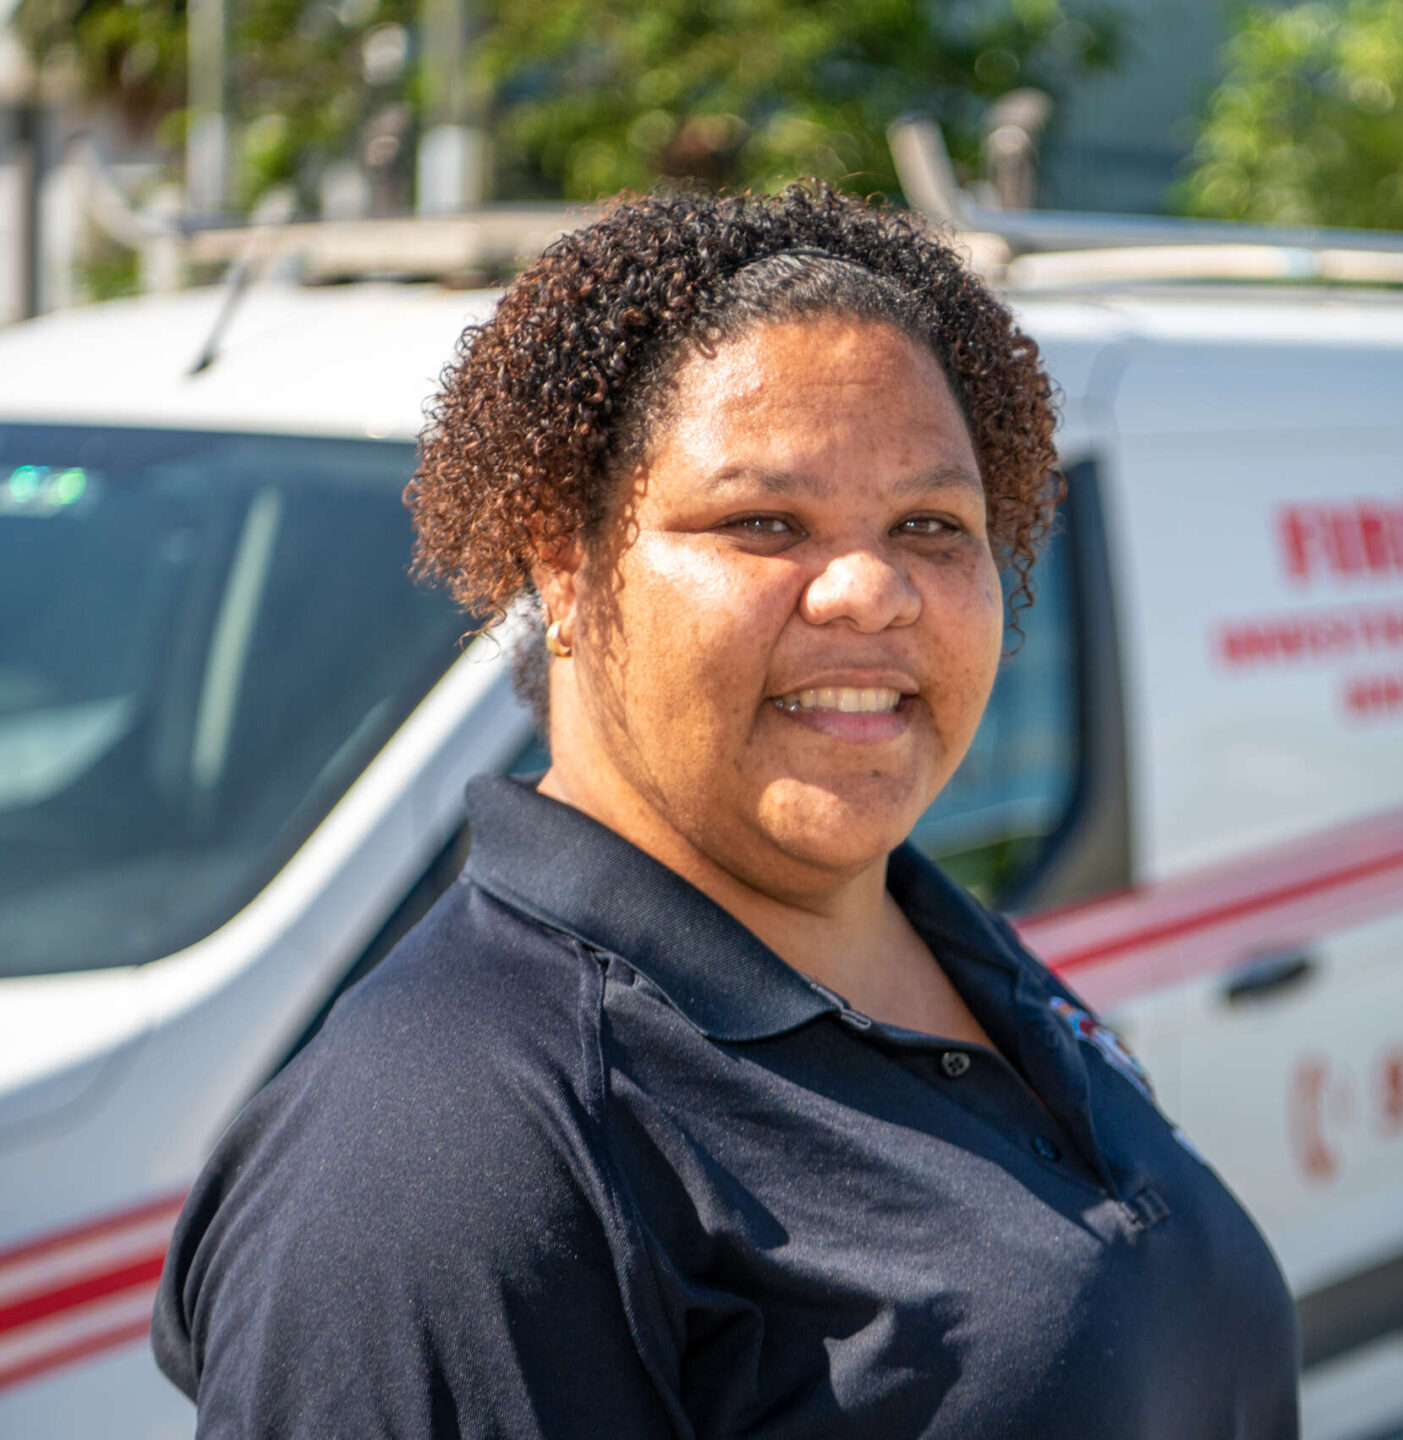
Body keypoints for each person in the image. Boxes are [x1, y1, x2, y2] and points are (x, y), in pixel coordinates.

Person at [151, 184, 1301, 1438]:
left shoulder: (931, 938)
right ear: (563, 564)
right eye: (764, 522)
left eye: (930, 524)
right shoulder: (437, 1156)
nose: (872, 590)